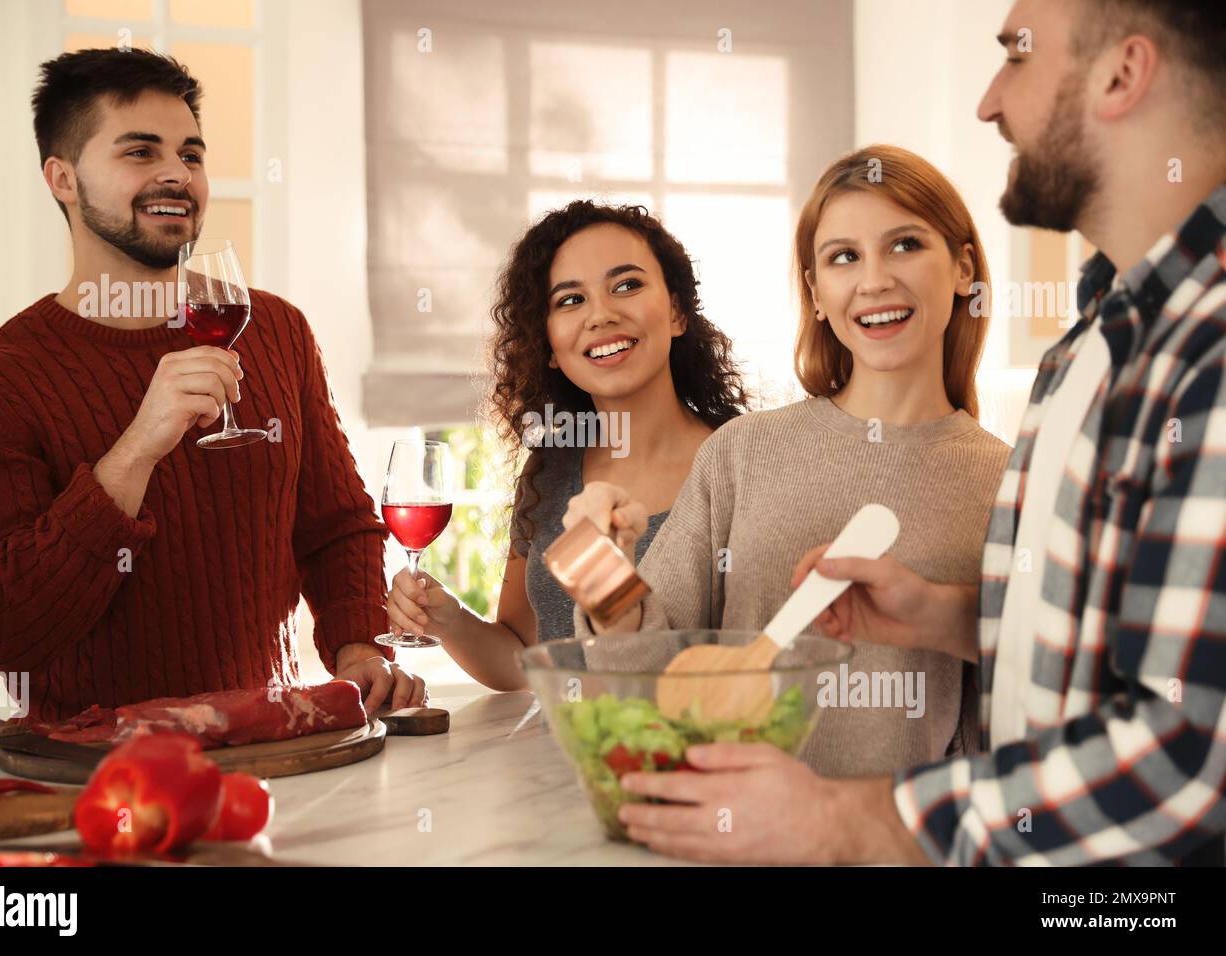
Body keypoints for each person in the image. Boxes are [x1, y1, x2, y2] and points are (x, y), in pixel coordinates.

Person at [615, 0, 1226, 865]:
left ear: (1122, 74)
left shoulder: (1199, 352)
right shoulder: (1089, 349)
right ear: (815, 290)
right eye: (841, 258)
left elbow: (1189, 755)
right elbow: (1085, 662)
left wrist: (838, 822)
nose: (986, 101)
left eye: (1016, 54)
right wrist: (947, 616)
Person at [0, 49, 424, 721]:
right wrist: (135, 453)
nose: (176, 174)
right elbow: (9, 632)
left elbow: (334, 528)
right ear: (63, 179)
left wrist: (360, 648)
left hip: (273, 748)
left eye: (191, 154)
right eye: (140, 152)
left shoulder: (274, 330)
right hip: (96, 781)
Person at [565, 146, 1010, 777]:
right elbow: (639, 665)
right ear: (817, 292)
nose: (874, 279)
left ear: (964, 267)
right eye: (843, 257)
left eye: (905, 244)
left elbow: (1022, 705)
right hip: (728, 832)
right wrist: (600, 566)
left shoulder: (1009, 482)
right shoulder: (743, 452)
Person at [383, 201, 747, 689]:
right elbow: (524, 655)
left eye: (627, 285)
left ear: (678, 312)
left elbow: (761, 659)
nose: (601, 314)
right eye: (570, 300)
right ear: (549, 347)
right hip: (558, 758)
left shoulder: (741, 466)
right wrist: (447, 618)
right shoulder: (549, 470)